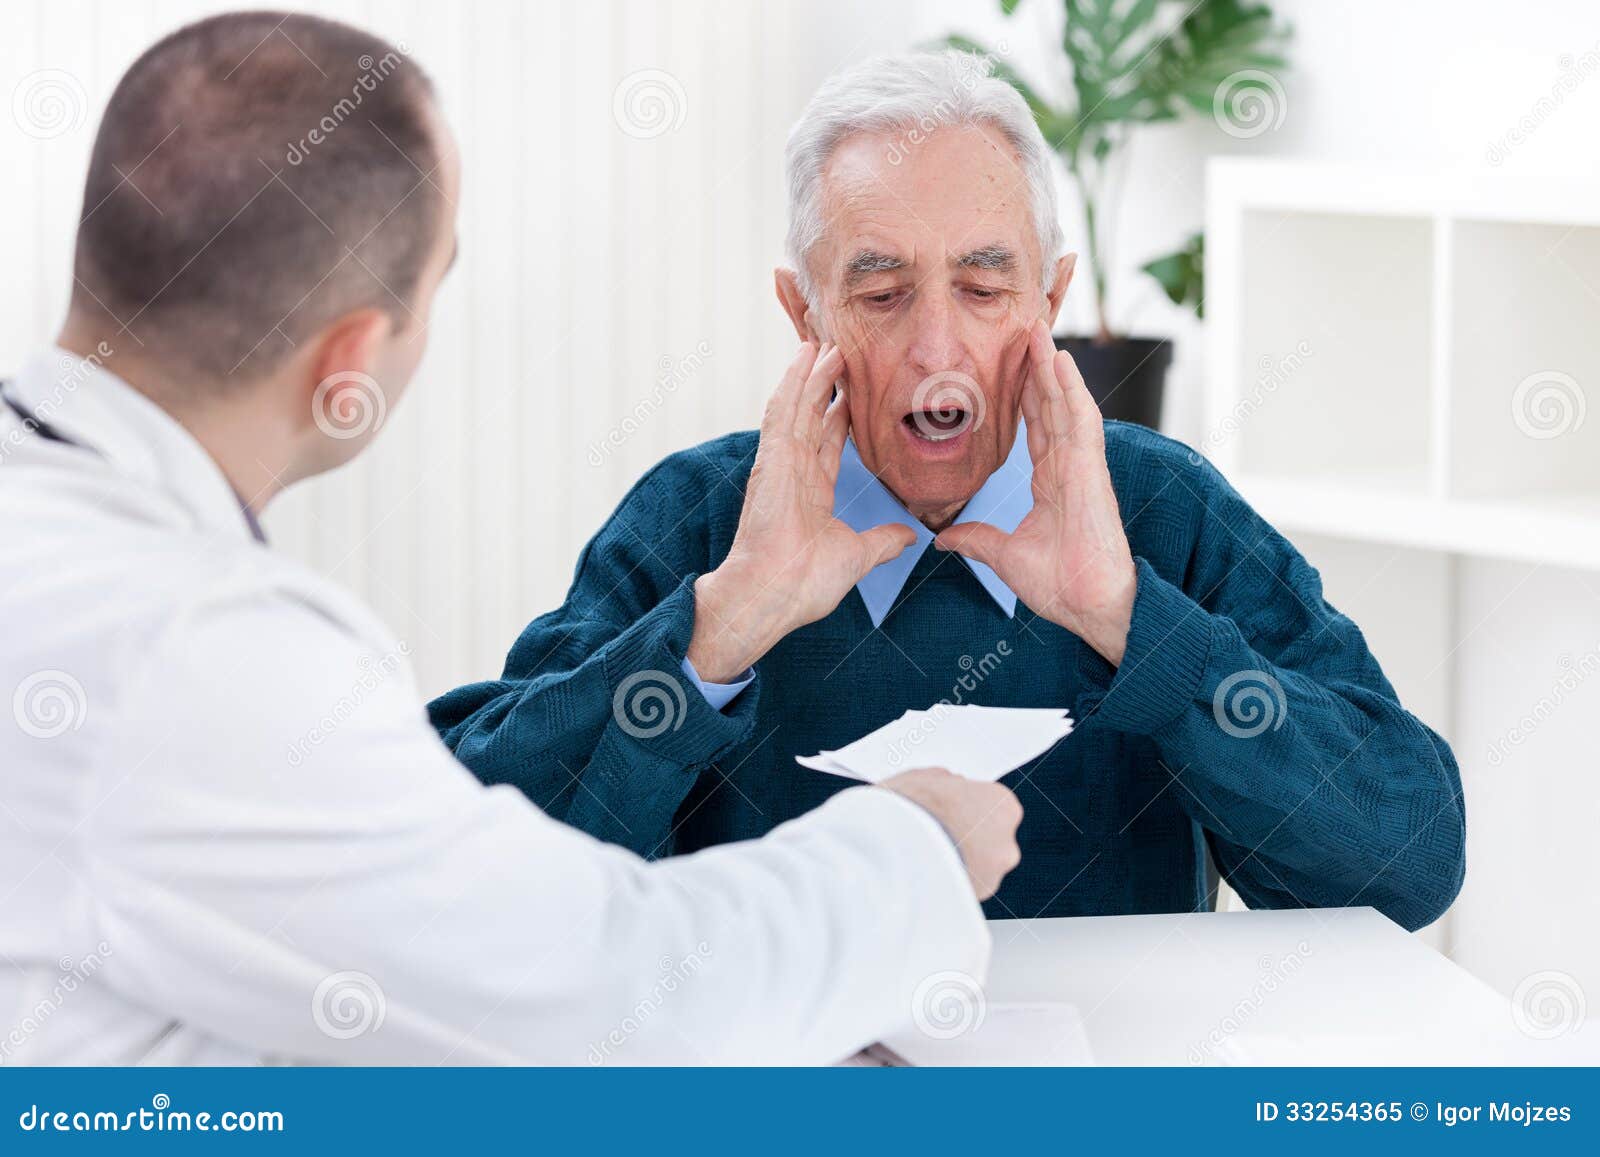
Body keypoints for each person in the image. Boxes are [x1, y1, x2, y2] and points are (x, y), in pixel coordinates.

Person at [0, 13, 1023, 1066]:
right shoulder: (194, 654)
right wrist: (915, 848)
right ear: (352, 358)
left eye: (985, 287)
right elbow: (607, 997)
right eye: (435, 284)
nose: (936, 345)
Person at [433, 51, 1466, 932]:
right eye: (882, 292)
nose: (937, 346)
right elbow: (471, 884)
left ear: (1050, 299)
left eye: (983, 288)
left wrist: (1129, 618)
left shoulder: (1162, 506)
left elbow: (1407, 862)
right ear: (805, 313)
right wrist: (722, 627)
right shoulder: (703, 517)